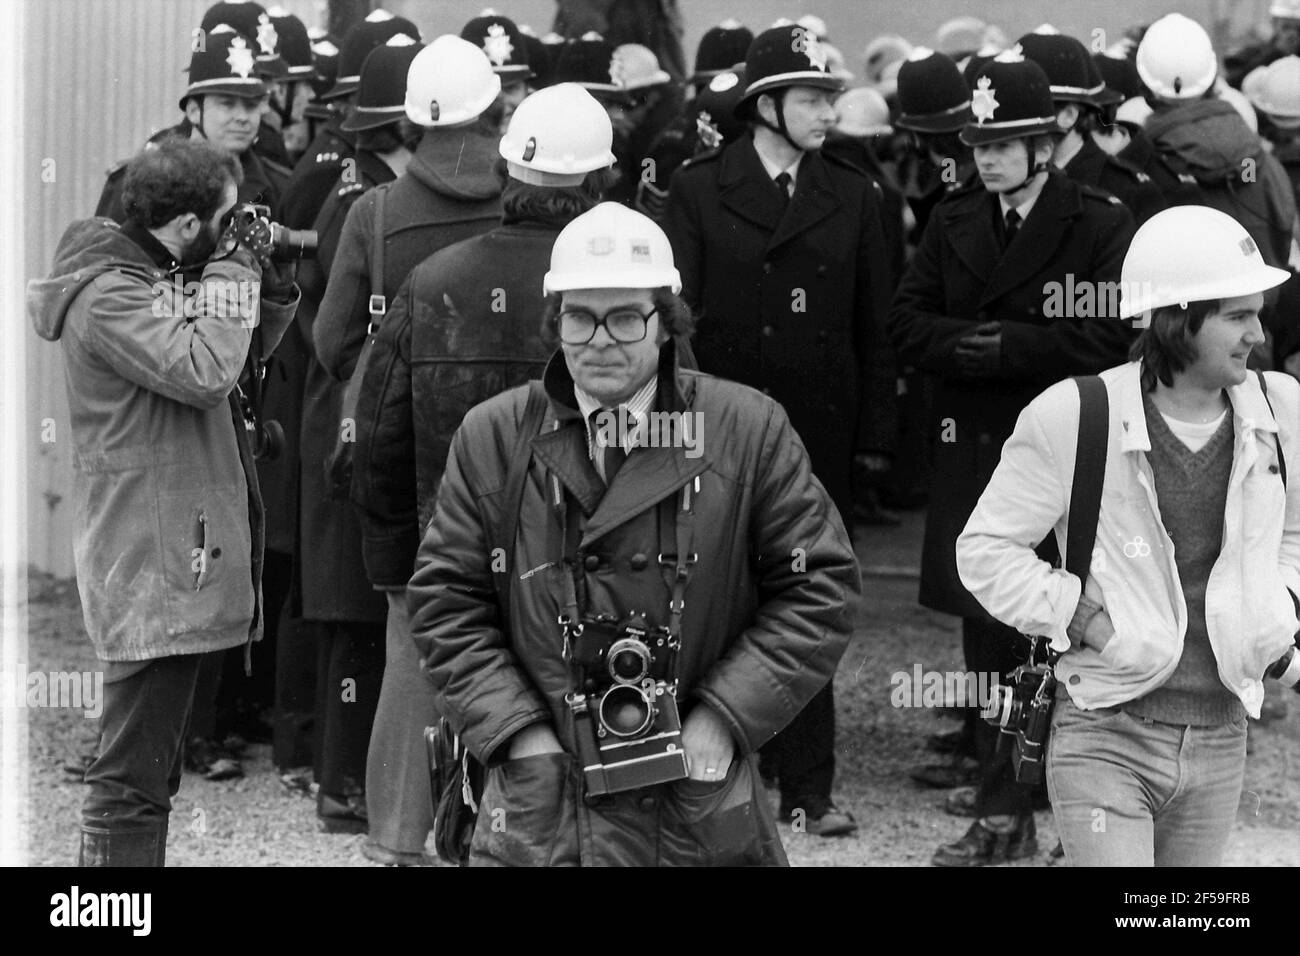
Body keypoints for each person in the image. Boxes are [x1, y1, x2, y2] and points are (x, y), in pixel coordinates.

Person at [405, 202, 860, 865]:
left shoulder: (746, 429)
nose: (600, 339)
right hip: (545, 794)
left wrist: (724, 718)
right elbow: (447, 601)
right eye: (579, 317)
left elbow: (820, 589)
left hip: (691, 796)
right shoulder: (495, 434)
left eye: (624, 317)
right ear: (554, 321)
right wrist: (519, 735)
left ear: (666, 323)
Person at [957, 205, 1300, 866]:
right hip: (1104, 733)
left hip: (1225, 735)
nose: (1259, 333)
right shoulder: (1075, 413)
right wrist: (1086, 619)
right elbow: (984, 551)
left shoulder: (1282, 409)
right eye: (1238, 315)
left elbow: (1295, 532)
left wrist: (1273, 609)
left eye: (1259, 312)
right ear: (1177, 318)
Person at [348, 83, 615, 866]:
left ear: (508, 172)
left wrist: (398, 561)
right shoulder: (628, 294)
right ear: (601, 180)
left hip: (446, 553)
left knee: (418, 678)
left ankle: (401, 846)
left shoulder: (433, 279)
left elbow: (374, 440)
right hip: (585, 564)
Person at [887, 50, 1137, 866]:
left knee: (1077, 640)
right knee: (990, 643)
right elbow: (906, 324)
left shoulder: (1098, 220)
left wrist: (1015, 346)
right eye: (979, 143)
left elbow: (1110, 337)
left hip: (1068, 459)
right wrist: (975, 347)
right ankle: (1001, 816)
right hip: (977, 457)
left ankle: (1081, 815)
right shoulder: (955, 217)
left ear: (1050, 137)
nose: (986, 156)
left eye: (1005, 142)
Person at [27, 138, 299, 866]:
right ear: (185, 227)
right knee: (129, 783)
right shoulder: (110, 294)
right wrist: (236, 267)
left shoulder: (153, 271)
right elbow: (208, 365)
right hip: (147, 560)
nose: (235, 226)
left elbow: (235, 352)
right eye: (224, 217)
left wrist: (253, 275)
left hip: (169, 554)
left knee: (149, 773)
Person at [665, 23, 896, 837]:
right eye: (809, 98)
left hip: (816, 428)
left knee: (804, 592)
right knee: (706, 591)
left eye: (830, 96)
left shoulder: (857, 195)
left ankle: (809, 785)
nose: (826, 112)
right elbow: (676, 322)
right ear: (764, 105)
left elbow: (877, 326)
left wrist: (874, 436)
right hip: (715, 426)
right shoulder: (696, 191)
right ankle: (704, 776)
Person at [302, 34, 505, 834]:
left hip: (406, 462)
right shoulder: (529, 202)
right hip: (512, 462)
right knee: (516, 645)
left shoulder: (375, 214)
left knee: (411, 654)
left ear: (411, 121)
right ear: (492, 111)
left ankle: (397, 835)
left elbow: (329, 342)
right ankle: (501, 831)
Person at [1018, 27, 1166, 226]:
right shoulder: (994, 185)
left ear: (1068, 115)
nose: (1010, 124)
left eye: (1026, 110)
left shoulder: (1128, 191)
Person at [1225, 0, 1300, 89]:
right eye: (1286, 27)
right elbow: (1232, 83)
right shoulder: (1251, 54)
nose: (1292, 34)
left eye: (1298, 28)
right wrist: (1275, 53)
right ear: (1274, 23)